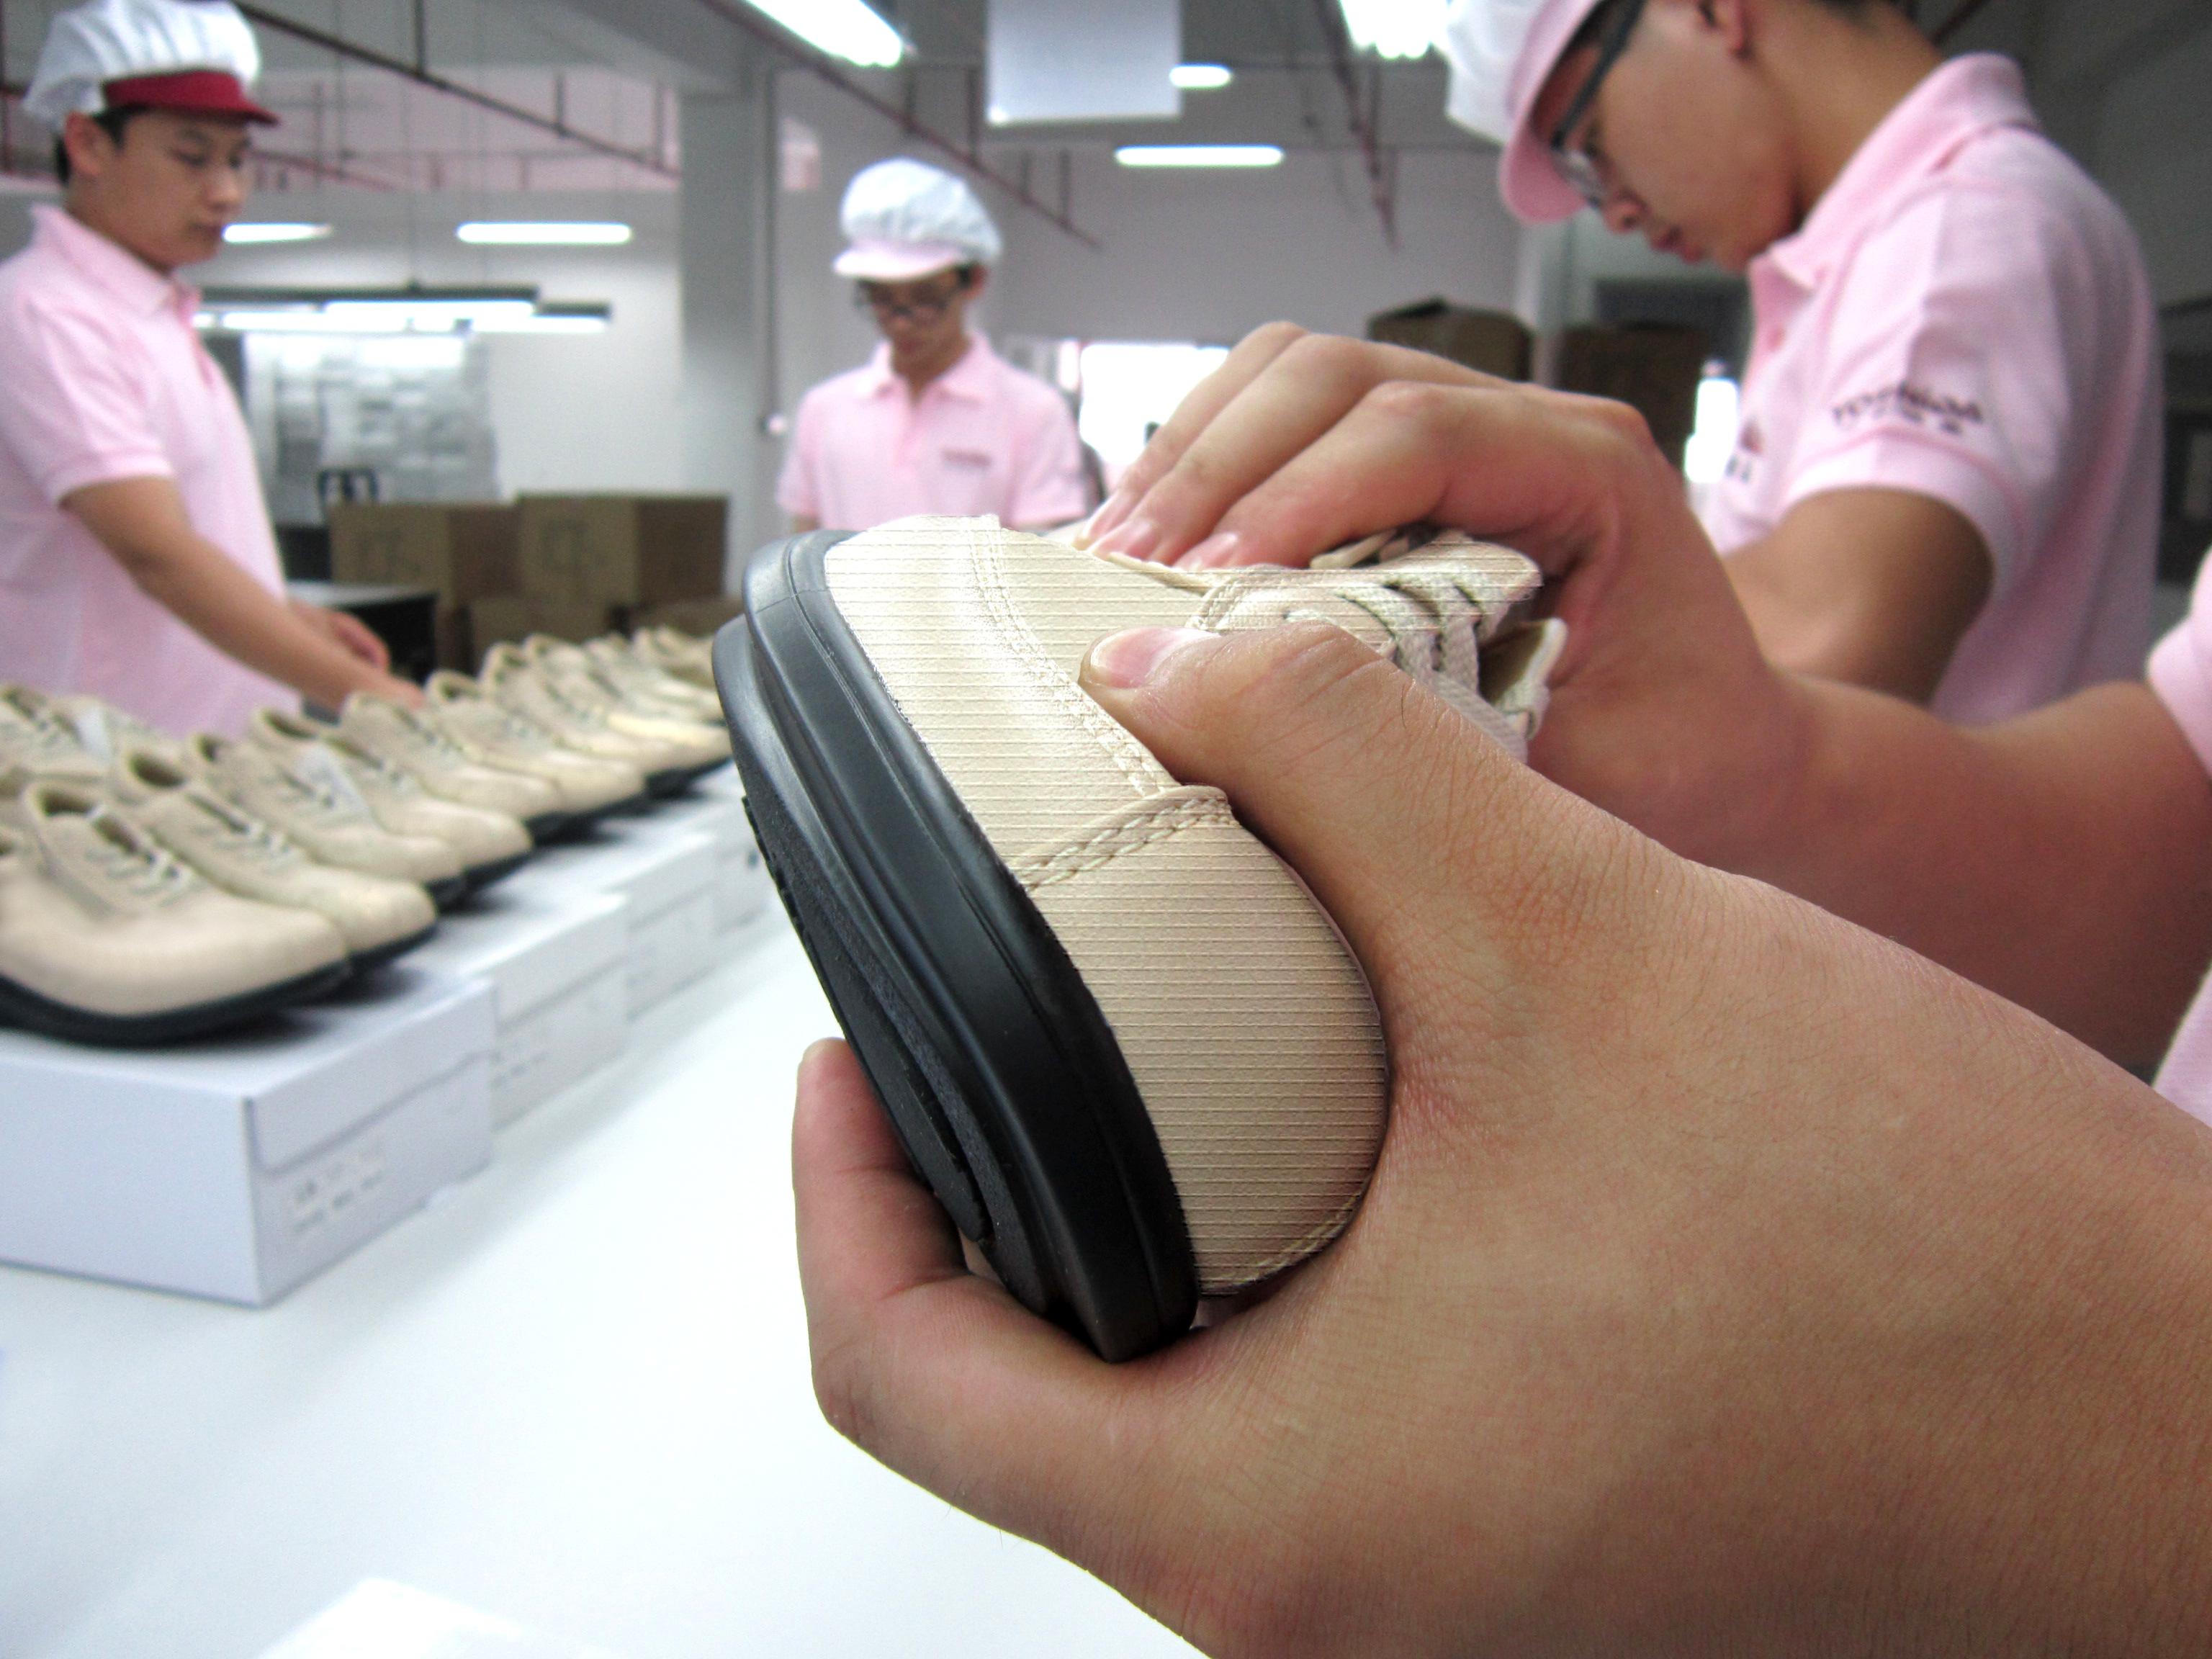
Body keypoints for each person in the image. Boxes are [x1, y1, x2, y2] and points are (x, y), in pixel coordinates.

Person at [789, 369, 2212, 1655]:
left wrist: (2107, 1461)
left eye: (1585, 171)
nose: (1608, 205)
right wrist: (1763, 759)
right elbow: (2173, 825)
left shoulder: (1971, 230)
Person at [1091, 0, 2163, 722]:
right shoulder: (1871, 258)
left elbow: (1829, 646)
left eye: (1589, 142)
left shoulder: (1955, 235)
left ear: (1710, 10)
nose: (1616, 212)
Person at [0, 0, 418, 740]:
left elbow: (177, 538)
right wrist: (382, 701)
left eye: (236, 160)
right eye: (192, 159)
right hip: (111, 773)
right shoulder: (47, 314)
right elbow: (156, 554)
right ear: (88, 143)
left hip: (208, 761)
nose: (226, 191)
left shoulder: (152, 317)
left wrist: (285, 614)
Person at [778, 158, 1090, 536]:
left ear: (974, 281)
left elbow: (1036, 555)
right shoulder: (823, 410)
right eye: (881, 299)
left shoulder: (1033, 413)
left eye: (925, 298)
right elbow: (799, 549)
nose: (901, 322)